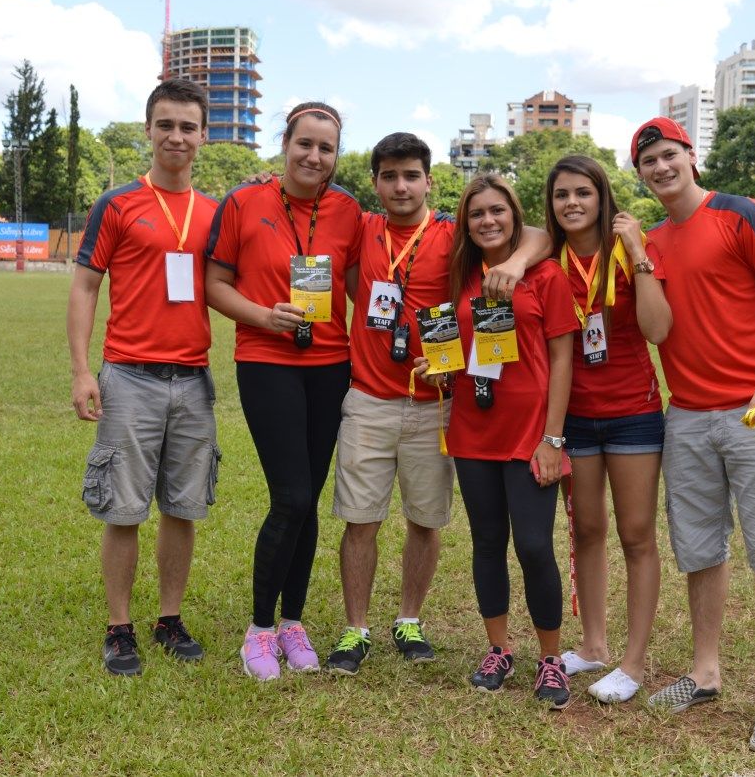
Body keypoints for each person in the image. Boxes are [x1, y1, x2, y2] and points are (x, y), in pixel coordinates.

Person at [325, 134, 551, 675]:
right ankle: (356, 630)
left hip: (439, 402)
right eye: (388, 176)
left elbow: (539, 235)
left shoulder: (455, 234)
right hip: (370, 397)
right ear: (376, 182)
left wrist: (517, 263)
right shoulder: (361, 228)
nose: (400, 186)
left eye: (411, 175)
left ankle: (409, 619)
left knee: (424, 520)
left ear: (429, 180)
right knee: (360, 520)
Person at [630, 117, 755, 753]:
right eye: (648, 161)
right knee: (700, 549)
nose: (660, 167)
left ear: (690, 157)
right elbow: (656, 328)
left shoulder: (740, 214)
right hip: (687, 416)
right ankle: (705, 673)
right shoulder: (651, 241)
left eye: (668, 154)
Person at [67, 79, 220, 676]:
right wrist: (83, 370)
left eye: (187, 126)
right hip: (128, 377)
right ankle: (119, 626)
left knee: (183, 506)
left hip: (194, 379)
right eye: (165, 125)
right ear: (148, 130)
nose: (176, 136)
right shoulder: (117, 204)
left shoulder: (214, 211)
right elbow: (85, 285)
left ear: (203, 135)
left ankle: (169, 617)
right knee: (123, 509)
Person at [204, 102, 361, 681]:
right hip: (268, 359)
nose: (314, 156)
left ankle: (293, 622)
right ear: (285, 143)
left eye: (326, 148)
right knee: (290, 496)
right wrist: (263, 317)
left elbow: (361, 287)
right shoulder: (245, 203)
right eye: (305, 144)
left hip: (330, 364)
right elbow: (214, 284)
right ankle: (260, 630)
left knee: (310, 498)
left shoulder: (348, 211)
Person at [415, 174, 579, 709]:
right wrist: (438, 368)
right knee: (487, 543)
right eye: (477, 214)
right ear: (466, 225)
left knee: (533, 546)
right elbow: (462, 354)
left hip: (531, 433)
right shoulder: (461, 278)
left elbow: (561, 358)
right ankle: (499, 649)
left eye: (497, 211)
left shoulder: (544, 274)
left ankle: (550, 659)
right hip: (472, 430)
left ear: (515, 215)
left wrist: (553, 438)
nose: (488, 221)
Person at [543, 155, 668, 705]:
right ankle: (593, 644)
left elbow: (658, 329)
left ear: (602, 198)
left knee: (636, 535)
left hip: (633, 412)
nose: (572, 203)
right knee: (586, 530)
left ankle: (633, 662)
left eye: (583, 193)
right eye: (561, 194)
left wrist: (639, 254)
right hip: (574, 416)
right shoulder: (548, 258)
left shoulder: (630, 249)